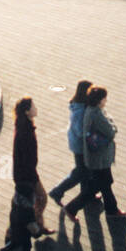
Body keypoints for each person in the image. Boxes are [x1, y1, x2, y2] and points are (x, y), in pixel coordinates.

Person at [0, 97, 50, 251]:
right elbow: (23, 158)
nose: (36, 108)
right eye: (33, 106)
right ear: (27, 111)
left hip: (26, 174)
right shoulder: (25, 131)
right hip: (27, 175)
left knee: (24, 204)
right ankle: (30, 228)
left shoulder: (25, 126)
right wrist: (30, 177)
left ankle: (25, 229)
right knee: (38, 200)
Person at [65, 86, 126, 220]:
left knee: (104, 183)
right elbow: (111, 131)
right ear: (99, 100)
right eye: (105, 98)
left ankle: (111, 209)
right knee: (98, 185)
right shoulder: (97, 114)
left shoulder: (90, 110)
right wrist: (113, 124)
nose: (106, 100)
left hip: (95, 156)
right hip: (99, 157)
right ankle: (72, 207)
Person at [49, 79, 94, 207]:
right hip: (80, 146)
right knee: (81, 171)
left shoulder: (80, 105)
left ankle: (86, 193)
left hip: (78, 144)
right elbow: (81, 131)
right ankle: (58, 191)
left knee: (84, 170)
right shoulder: (80, 110)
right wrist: (92, 134)